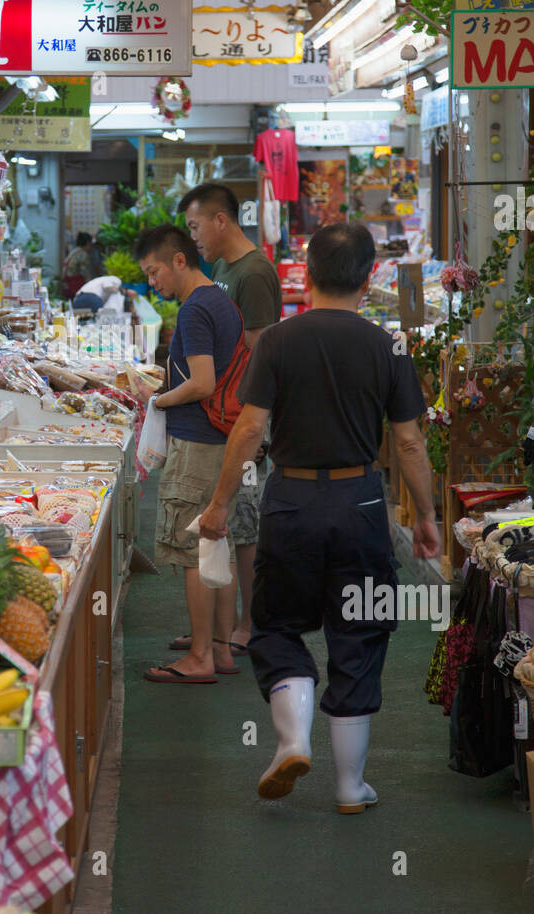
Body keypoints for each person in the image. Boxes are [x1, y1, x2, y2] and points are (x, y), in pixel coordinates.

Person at [198, 223, 440, 812]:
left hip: (292, 502)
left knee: (277, 626)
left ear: (307, 273)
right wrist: (428, 516)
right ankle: (350, 787)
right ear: (367, 276)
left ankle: (291, 739)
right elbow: (408, 444)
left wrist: (219, 503)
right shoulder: (390, 347)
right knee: (359, 632)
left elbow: (251, 429)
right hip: (360, 504)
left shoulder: (277, 342)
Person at [134, 224, 243, 683]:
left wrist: (156, 399)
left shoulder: (196, 310)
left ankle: (199, 657)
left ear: (179, 260)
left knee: (194, 550)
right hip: (223, 440)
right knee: (218, 543)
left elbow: (202, 382)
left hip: (198, 441)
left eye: (154, 271)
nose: (152, 281)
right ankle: (220, 648)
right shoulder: (221, 299)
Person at [175, 182, 281, 656]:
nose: (193, 237)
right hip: (224, 418)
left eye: (196, 226)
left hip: (245, 417)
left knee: (247, 526)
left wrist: (252, 431)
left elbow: (262, 353)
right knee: (228, 523)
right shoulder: (220, 268)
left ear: (222, 220)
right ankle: (218, 634)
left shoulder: (254, 272)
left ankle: (248, 626)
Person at [63, 233, 93, 299]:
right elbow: (85, 272)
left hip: (67, 280)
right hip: (74, 282)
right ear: (88, 243)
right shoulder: (83, 254)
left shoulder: (75, 250)